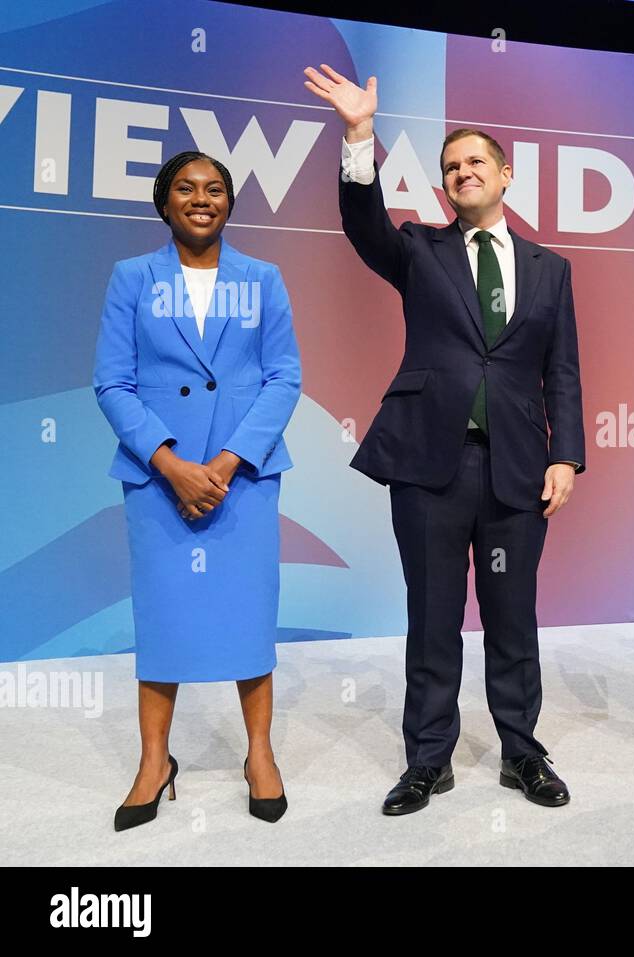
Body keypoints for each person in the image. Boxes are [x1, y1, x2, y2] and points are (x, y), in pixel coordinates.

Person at [303, 64, 585, 814]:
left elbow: (563, 370)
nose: (462, 173)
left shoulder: (550, 270)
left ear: (506, 175)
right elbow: (361, 223)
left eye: (475, 163)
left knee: (512, 618)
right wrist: (358, 134)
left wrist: (567, 456)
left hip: (518, 466)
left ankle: (522, 752)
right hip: (430, 462)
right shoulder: (418, 250)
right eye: (451, 167)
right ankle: (428, 757)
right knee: (432, 618)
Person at [93, 151, 302, 828]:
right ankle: (156, 761)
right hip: (158, 479)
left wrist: (231, 459)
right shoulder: (131, 278)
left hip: (243, 479)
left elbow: (284, 377)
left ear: (229, 204)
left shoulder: (264, 279)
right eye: (186, 187)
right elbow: (112, 382)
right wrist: (171, 463)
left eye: (215, 188)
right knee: (165, 620)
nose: (201, 197)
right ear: (164, 203)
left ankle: (260, 754)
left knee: (247, 613)